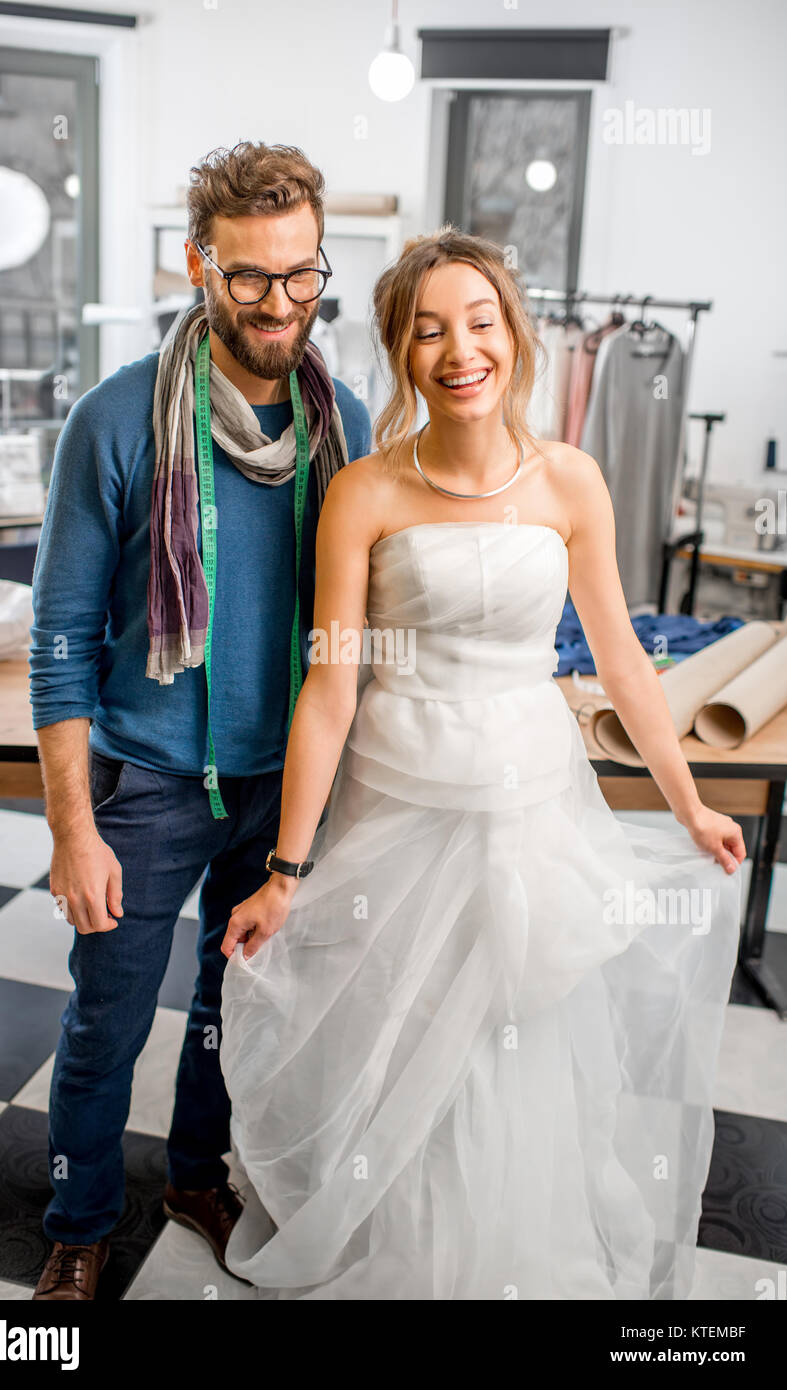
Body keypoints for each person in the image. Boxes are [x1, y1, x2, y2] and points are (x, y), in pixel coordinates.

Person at [216, 227, 746, 1301]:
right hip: (397, 799)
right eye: (429, 331)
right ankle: (390, 1238)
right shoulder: (363, 494)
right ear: (404, 354)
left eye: (480, 322)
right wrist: (287, 869)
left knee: (521, 1036)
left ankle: (507, 1249)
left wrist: (688, 804)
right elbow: (330, 686)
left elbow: (625, 663)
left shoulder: (571, 482)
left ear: (514, 335)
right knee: (399, 1030)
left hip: (530, 801)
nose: (460, 350)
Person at [28, 142, 371, 1301]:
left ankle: (191, 1173)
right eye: (249, 278)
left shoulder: (344, 423)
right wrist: (74, 829)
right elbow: (63, 638)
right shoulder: (114, 419)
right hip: (146, 788)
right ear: (198, 265)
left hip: (283, 792)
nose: (280, 305)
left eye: (301, 275)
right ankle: (78, 1221)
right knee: (105, 1026)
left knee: (234, 1012)